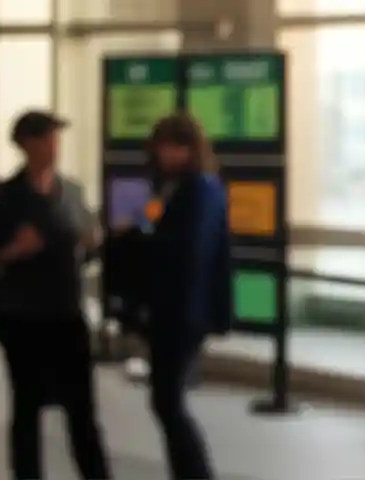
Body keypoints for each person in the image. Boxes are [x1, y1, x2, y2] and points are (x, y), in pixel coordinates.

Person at [0, 110, 111, 480]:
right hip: (24, 319)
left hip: (68, 314)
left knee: (82, 410)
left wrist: (91, 245)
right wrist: (12, 252)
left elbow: (87, 244)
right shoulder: (5, 197)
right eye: (47, 139)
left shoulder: (72, 191)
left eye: (56, 139)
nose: (54, 147)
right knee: (27, 409)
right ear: (27, 144)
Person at [143, 112, 232, 480]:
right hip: (179, 309)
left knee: (167, 401)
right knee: (166, 400)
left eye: (168, 146)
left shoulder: (197, 191)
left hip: (180, 310)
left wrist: (141, 241)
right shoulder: (190, 188)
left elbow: (186, 250)